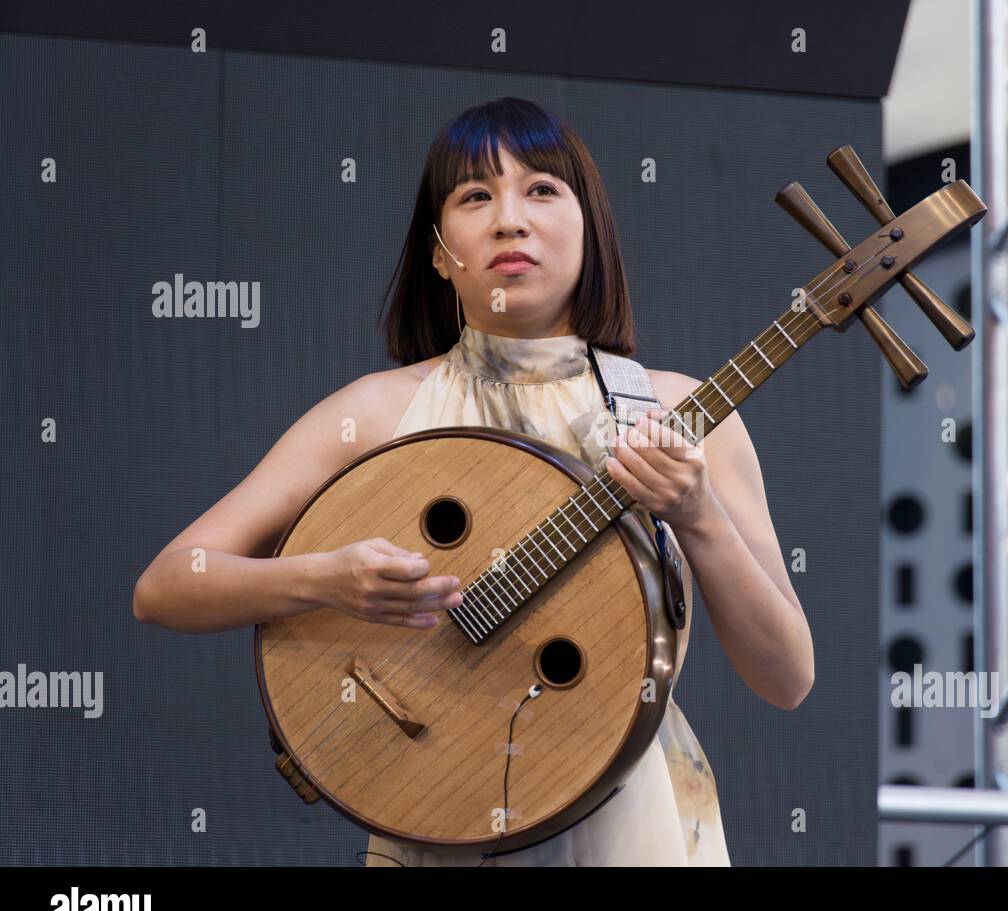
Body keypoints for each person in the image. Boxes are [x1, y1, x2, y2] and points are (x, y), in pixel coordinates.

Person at [133, 97, 814, 866]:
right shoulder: (377, 412)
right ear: (436, 250)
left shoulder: (683, 413)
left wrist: (697, 514)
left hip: (634, 820)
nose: (510, 220)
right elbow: (165, 585)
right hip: (437, 812)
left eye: (543, 190)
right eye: (475, 196)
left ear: (590, 228)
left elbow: (787, 676)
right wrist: (326, 578)